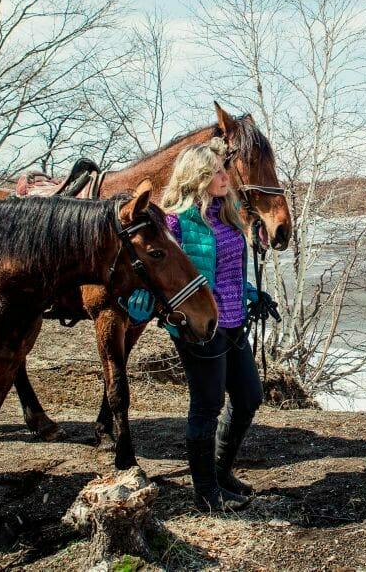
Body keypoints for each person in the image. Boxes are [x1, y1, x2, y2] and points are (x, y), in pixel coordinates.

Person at [123, 137, 271, 512]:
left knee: (249, 396)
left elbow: (227, 266)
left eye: (224, 169)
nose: (226, 176)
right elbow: (155, 273)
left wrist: (249, 292)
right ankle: (205, 492)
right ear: (199, 176)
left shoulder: (227, 211)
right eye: (219, 171)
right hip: (198, 327)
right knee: (206, 406)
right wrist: (142, 303)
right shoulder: (173, 221)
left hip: (234, 320)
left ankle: (221, 473)